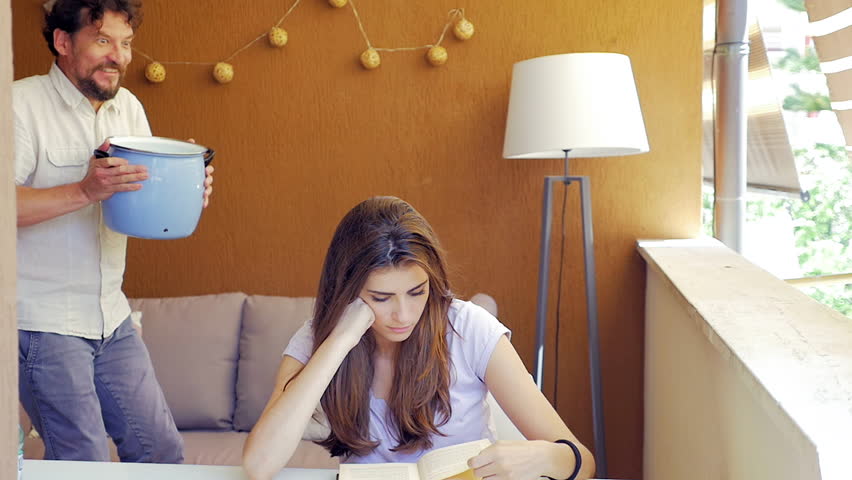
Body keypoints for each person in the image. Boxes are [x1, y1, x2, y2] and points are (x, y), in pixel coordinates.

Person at [243, 197, 595, 480]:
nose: (404, 315)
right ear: (347, 292)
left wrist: (544, 457)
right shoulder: (320, 336)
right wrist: (340, 341)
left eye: (417, 291)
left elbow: (582, 461)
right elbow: (259, 466)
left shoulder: (470, 329)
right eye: (380, 298)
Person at [14, 0, 213, 462]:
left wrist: (183, 187)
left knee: (161, 452)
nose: (119, 57)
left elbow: (137, 202)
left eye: (125, 44)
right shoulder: (20, 105)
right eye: (103, 40)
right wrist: (84, 190)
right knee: (83, 462)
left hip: (111, 317)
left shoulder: (128, 109)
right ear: (63, 42)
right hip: (43, 323)